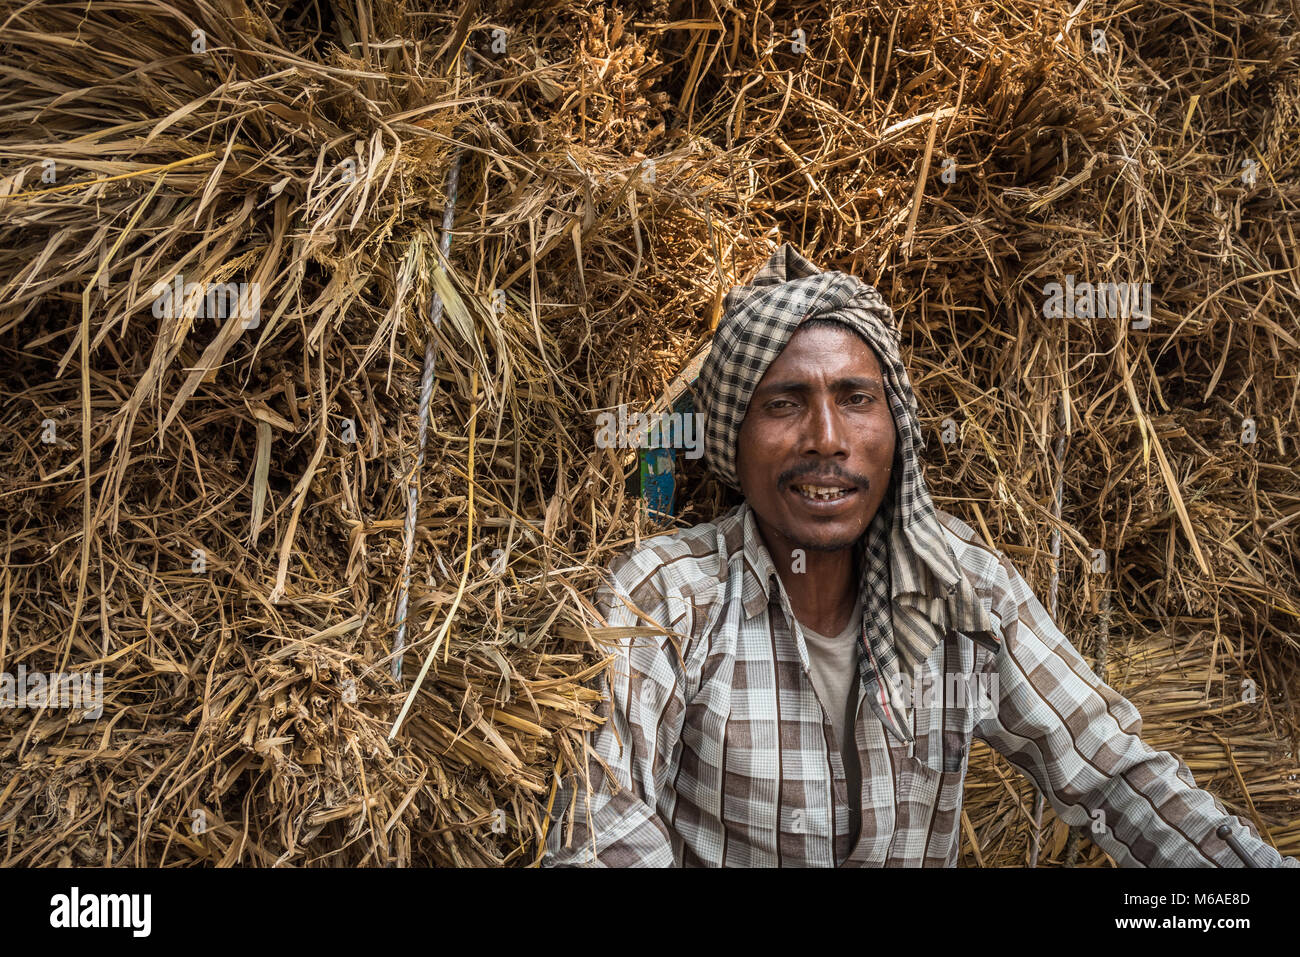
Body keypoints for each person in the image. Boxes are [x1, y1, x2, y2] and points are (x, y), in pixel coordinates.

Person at [542, 243, 1296, 868]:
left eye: (856, 398)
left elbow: (1113, 775)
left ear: (895, 426)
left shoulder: (956, 584)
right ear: (732, 439)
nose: (827, 438)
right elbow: (598, 829)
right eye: (783, 402)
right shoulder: (669, 596)